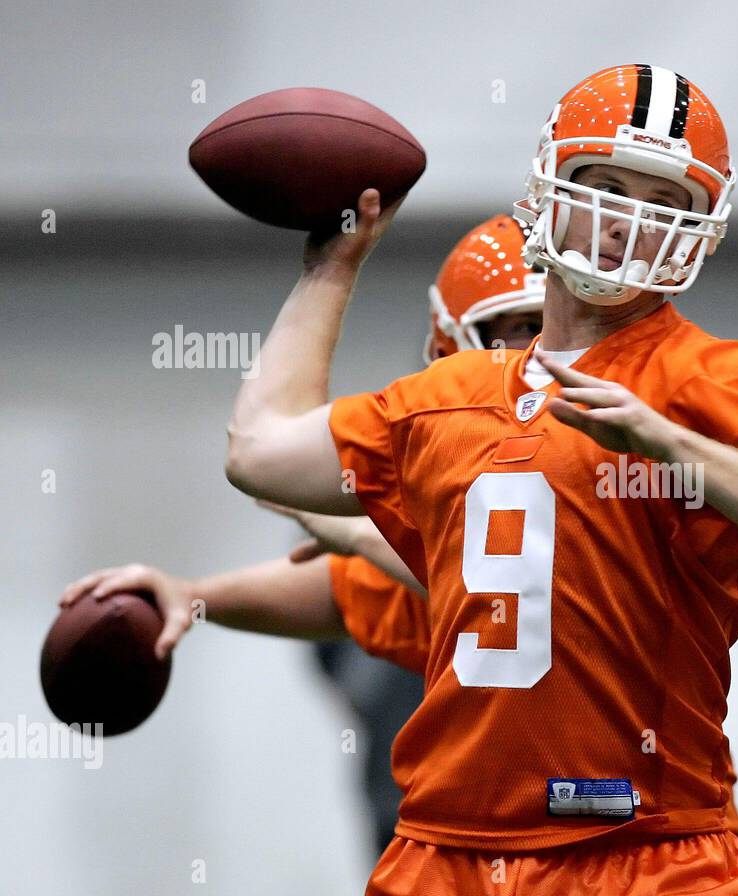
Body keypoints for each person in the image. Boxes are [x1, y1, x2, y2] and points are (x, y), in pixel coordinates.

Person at [222, 63, 738, 896]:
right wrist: (331, 266)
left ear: (701, 224)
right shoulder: (450, 395)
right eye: (606, 187)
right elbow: (259, 453)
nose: (626, 222)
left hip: (644, 872)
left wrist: (676, 447)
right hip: (440, 865)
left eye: (662, 199)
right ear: (550, 185)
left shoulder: (713, 380)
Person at [60, 215, 546, 861]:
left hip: (627, 874)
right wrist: (195, 594)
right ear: (454, 351)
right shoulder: (453, 496)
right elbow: (356, 587)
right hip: (457, 872)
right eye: (527, 329)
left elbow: (536, 590)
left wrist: (363, 535)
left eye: (578, 332)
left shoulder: (648, 473)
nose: (551, 358)